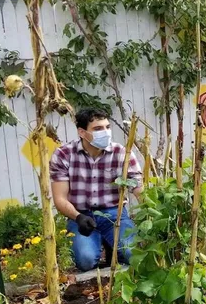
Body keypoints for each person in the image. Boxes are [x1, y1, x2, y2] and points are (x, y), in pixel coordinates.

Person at [49, 107, 143, 272]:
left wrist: (154, 211)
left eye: (107, 127)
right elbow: (60, 199)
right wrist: (78, 217)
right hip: (81, 216)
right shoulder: (64, 155)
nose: (105, 132)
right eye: (98, 129)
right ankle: (104, 244)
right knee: (85, 261)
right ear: (82, 132)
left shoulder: (121, 153)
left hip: (115, 214)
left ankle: (114, 246)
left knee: (132, 254)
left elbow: (138, 189)